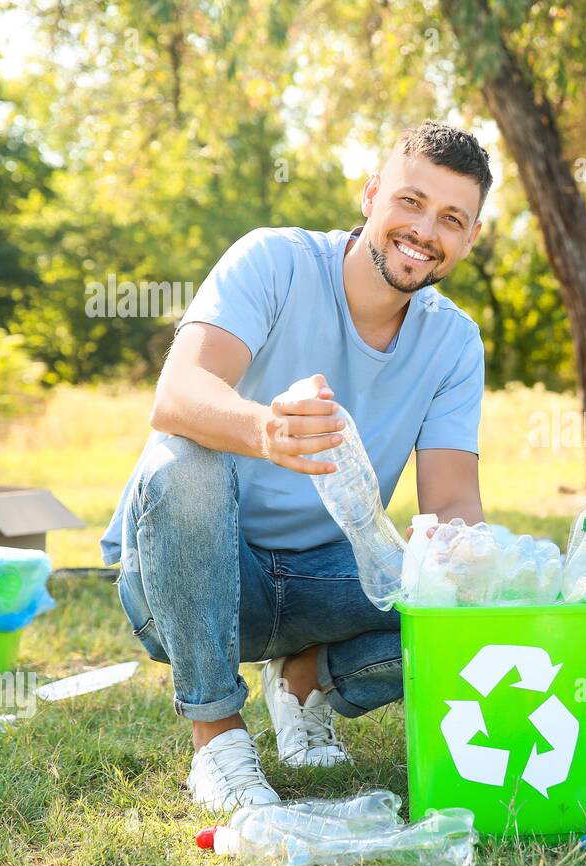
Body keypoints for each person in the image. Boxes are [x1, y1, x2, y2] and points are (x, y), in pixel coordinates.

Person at [100, 121, 492, 810]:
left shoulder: (454, 340)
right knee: (183, 461)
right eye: (410, 201)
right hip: (199, 579)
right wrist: (264, 431)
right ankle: (217, 745)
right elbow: (177, 395)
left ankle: (306, 680)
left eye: (451, 219)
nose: (425, 230)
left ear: (469, 239)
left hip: (326, 580)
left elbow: (452, 503)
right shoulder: (272, 261)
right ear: (371, 196)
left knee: (465, 602)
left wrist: (476, 565)